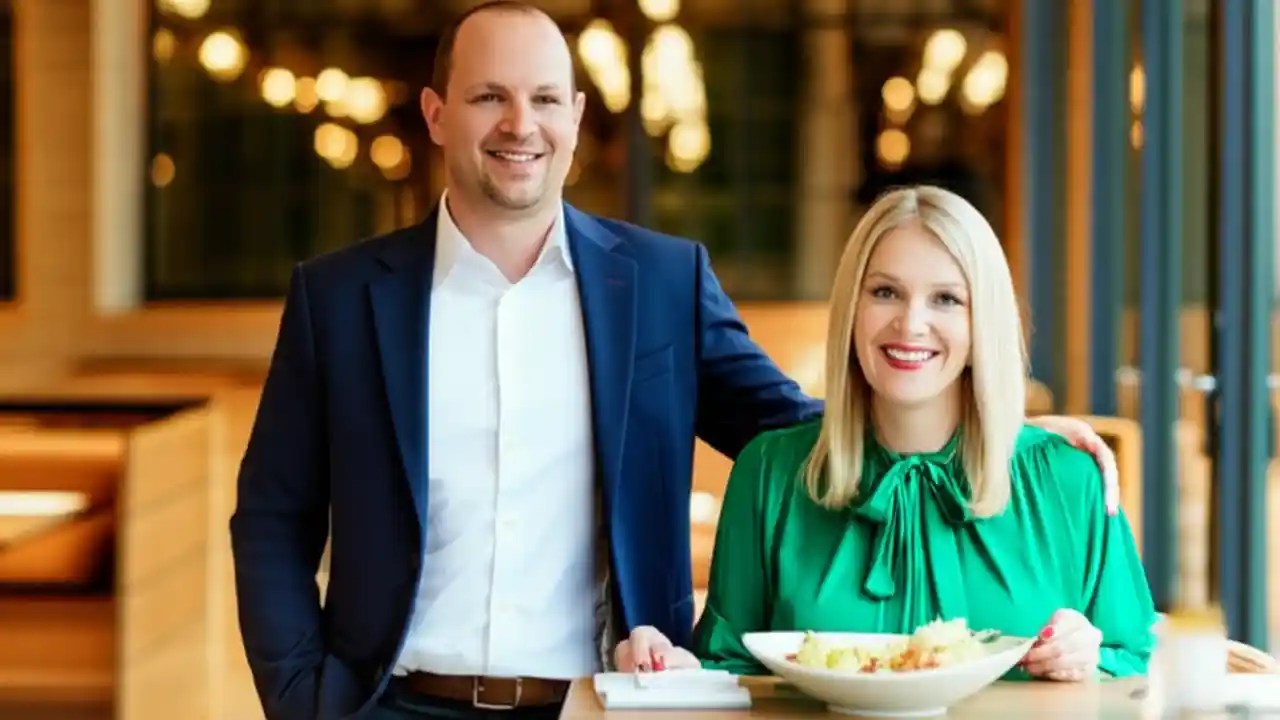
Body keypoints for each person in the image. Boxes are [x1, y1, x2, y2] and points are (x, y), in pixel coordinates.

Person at [228, 3, 1122, 719]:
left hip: (605, 700)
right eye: (488, 96)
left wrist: (978, 425)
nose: (519, 124)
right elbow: (272, 515)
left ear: (576, 119)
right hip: (390, 699)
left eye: (544, 98)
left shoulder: (660, 282)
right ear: (435, 114)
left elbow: (794, 427)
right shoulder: (339, 301)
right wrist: (302, 696)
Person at [615, 186, 1157, 683]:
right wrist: (670, 669)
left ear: (981, 321)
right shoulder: (769, 472)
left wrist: (1090, 658)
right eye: (885, 292)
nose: (911, 323)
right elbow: (729, 671)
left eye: (946, 298)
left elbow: (1136, 663)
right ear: (852, 309)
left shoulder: (1068, 479)